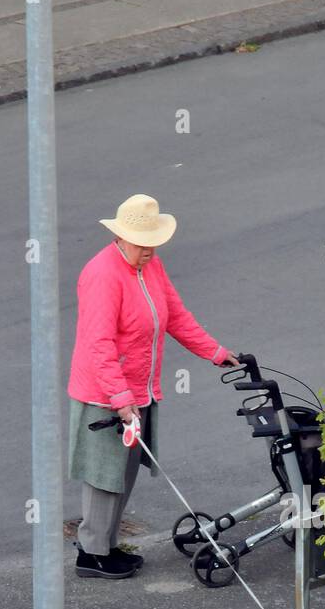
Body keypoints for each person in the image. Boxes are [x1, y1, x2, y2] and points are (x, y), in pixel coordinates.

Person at [67, 194, 239, 579]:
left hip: (135, 390)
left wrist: (214, 351)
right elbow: (99, 344)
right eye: (141, 242)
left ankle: (107, 546)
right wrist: (120, 398)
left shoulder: (151, 266)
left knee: (124, 472)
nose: (149, 249)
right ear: (121, 237)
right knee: (104, 475)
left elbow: (175, 315)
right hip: (105, 394)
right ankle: (91, 554)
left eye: (152, 241)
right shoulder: (102, 275)